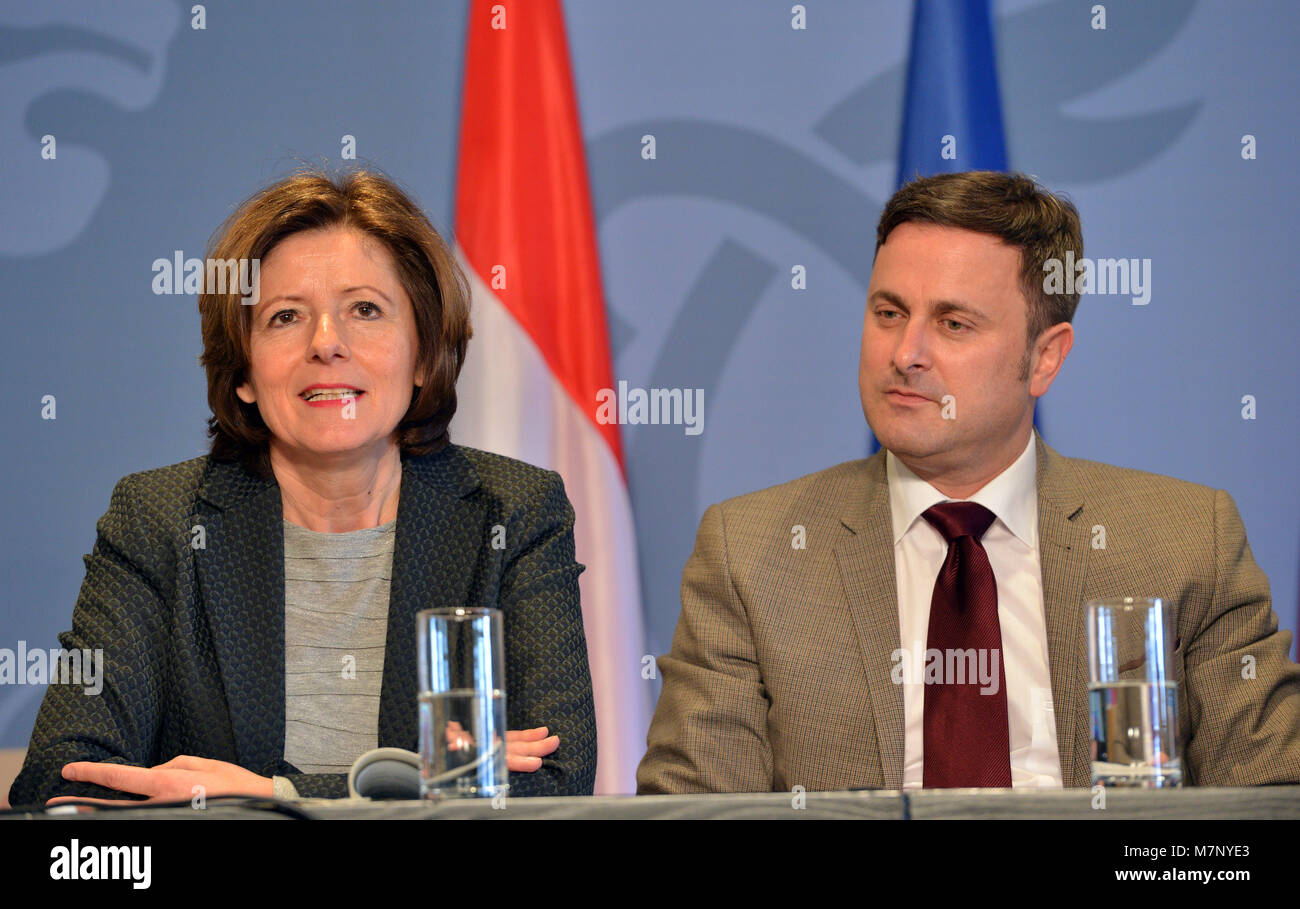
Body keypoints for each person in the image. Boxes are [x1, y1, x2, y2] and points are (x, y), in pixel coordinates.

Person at [637, 170, 1300, 793]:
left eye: (953, 324)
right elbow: (690, 810)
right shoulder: (752, 554)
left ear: (1045, 358)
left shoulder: (1185, 544)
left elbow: (1267, 806)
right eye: (888, 313)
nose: (905, 354)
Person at [9, 169, 596, 808]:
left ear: (424, 356)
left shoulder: (512, 513)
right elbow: (60, 780)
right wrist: (422, 778)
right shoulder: (160, 521)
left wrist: (268, 794)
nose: (327, 344)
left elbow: (553, 785)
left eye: (365, 309)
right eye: (286, 316)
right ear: (243, 374)